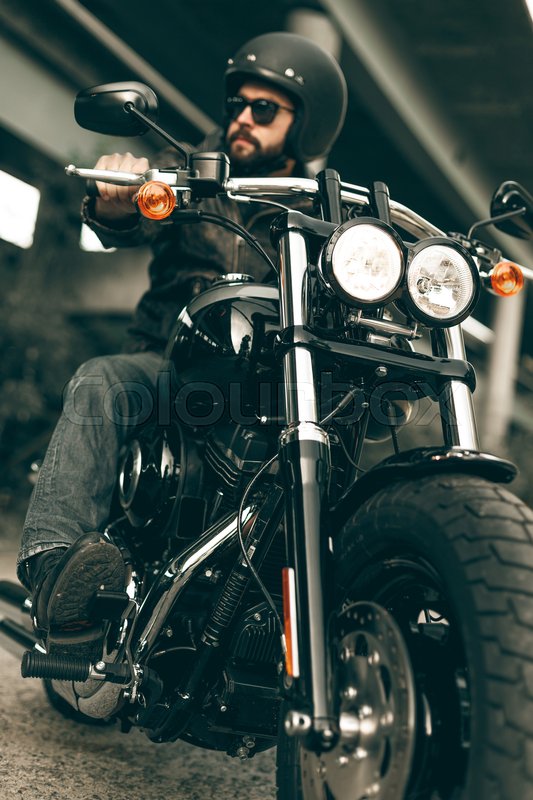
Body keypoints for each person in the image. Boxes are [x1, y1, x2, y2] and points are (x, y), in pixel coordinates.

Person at [17, 32, 348, 658]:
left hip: (274, 387)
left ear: (305, 128)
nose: (241, 118)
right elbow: (125, 219)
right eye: (237, 104)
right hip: (174, 367)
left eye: (264, 109)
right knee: (102, 381)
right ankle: (55, 572)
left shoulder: (327, 214)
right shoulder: (190, 175)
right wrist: (114, 198)